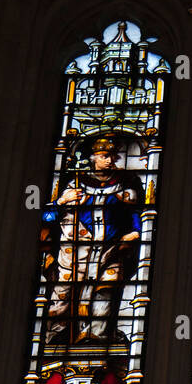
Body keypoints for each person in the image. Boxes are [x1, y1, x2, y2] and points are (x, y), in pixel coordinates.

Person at [41, 133, 142, 347]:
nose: (110, 160)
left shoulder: (126, 186)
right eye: (104, 155)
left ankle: (97, 337)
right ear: (92, 158)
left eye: (113, 156)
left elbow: (138, 220)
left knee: (106, 289)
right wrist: (61, 201)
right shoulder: (75, 184)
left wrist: (134, 235)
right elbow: (47, 218)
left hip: (112, 250)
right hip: (74, 254)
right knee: (63, 297)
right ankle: (56, 339)